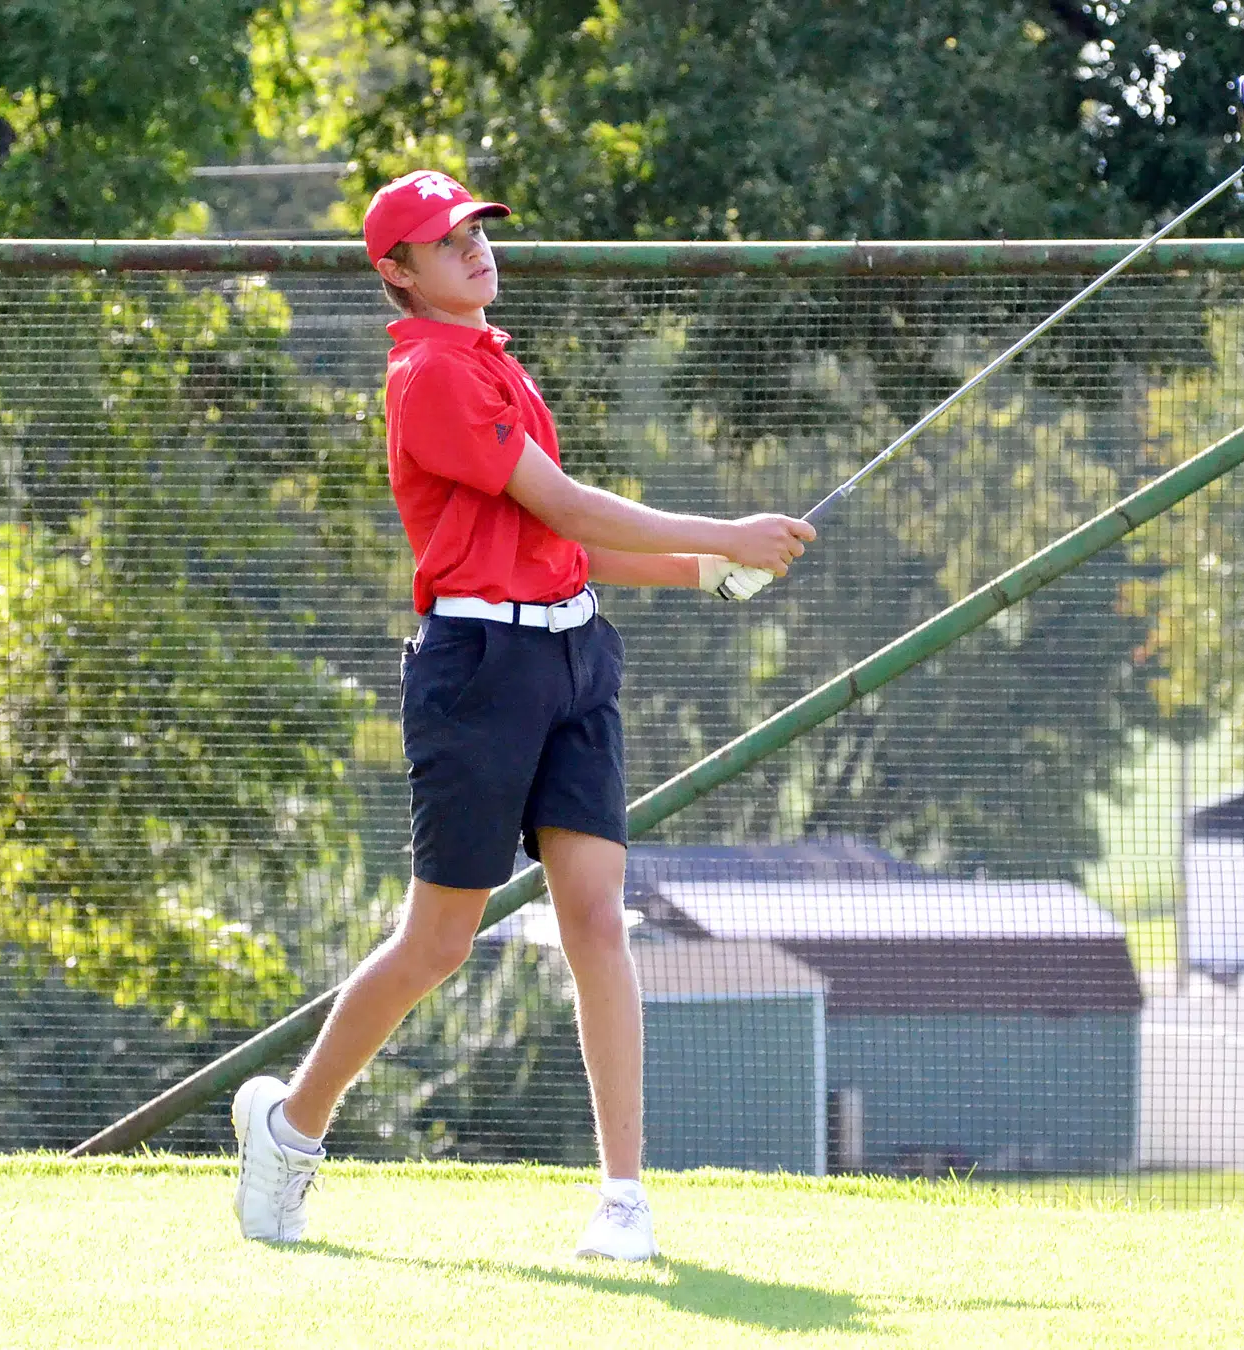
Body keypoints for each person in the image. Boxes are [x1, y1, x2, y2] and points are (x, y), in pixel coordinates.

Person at [232, 170, 815, 1260]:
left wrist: (701, 571)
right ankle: (289, 1129)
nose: (474, 249)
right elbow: (561, 503)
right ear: (397, 271)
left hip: (574, 653)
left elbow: (563, 549)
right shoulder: (429, 374)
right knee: (439, 942)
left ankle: (624, 1198)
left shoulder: (493, 360)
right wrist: (727, 533)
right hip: (479, 668)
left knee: (599, 917)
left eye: (477, 231)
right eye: (446, 242)